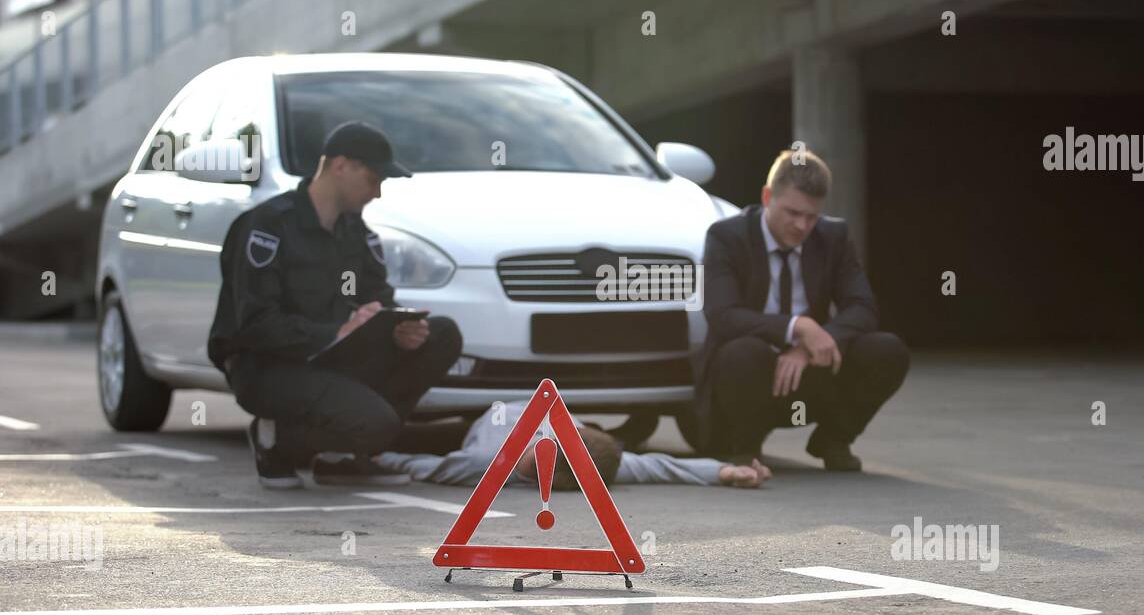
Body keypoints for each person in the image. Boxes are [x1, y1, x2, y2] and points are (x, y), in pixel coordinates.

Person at [208, 121, 463, 488]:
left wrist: (399, 328)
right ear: (341, 166)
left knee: (440, 335)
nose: (376, 193)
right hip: (267, 366)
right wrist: (336, 332)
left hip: (331, 360)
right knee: (377, 423)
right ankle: (277, 442)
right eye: (373, 179)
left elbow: (378, 298)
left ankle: (342, 456)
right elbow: (254, 323)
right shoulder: (267, 227)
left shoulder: (355, 232)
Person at [691, 148, 909, 472]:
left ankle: (833, 440)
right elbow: (722, 316)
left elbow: (862, 306)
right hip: (747, 380)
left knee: (888, 350)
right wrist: (797, 327)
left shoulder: (832, 236)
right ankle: (745, 450)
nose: (801, 225)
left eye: (811, 216)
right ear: (767, 197)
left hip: (808, 376)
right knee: (743, 352)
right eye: (792, 212)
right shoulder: (727, 236)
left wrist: (810, 345)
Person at [375, 401, 772, 489]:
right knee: (621, 446)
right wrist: (723, 468)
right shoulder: (571, 438)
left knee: (403, 432)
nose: (528, 460)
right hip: (508, 407)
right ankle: (622, 431)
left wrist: (373, 457)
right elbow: (662, 465)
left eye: (532, 466)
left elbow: (424, 465)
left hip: (471, 428)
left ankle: (624, 432)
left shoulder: (484, 463)